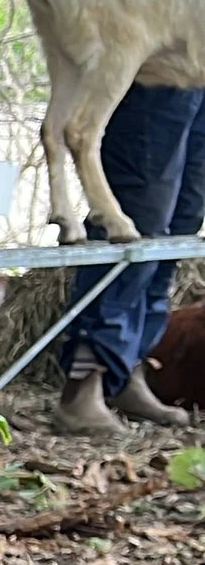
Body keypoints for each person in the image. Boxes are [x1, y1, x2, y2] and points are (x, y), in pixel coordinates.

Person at [56, 84, 205, 438]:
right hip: (158, 63)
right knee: (137, 213)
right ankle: (83, 383)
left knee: (182, 222)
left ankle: (127, 370)